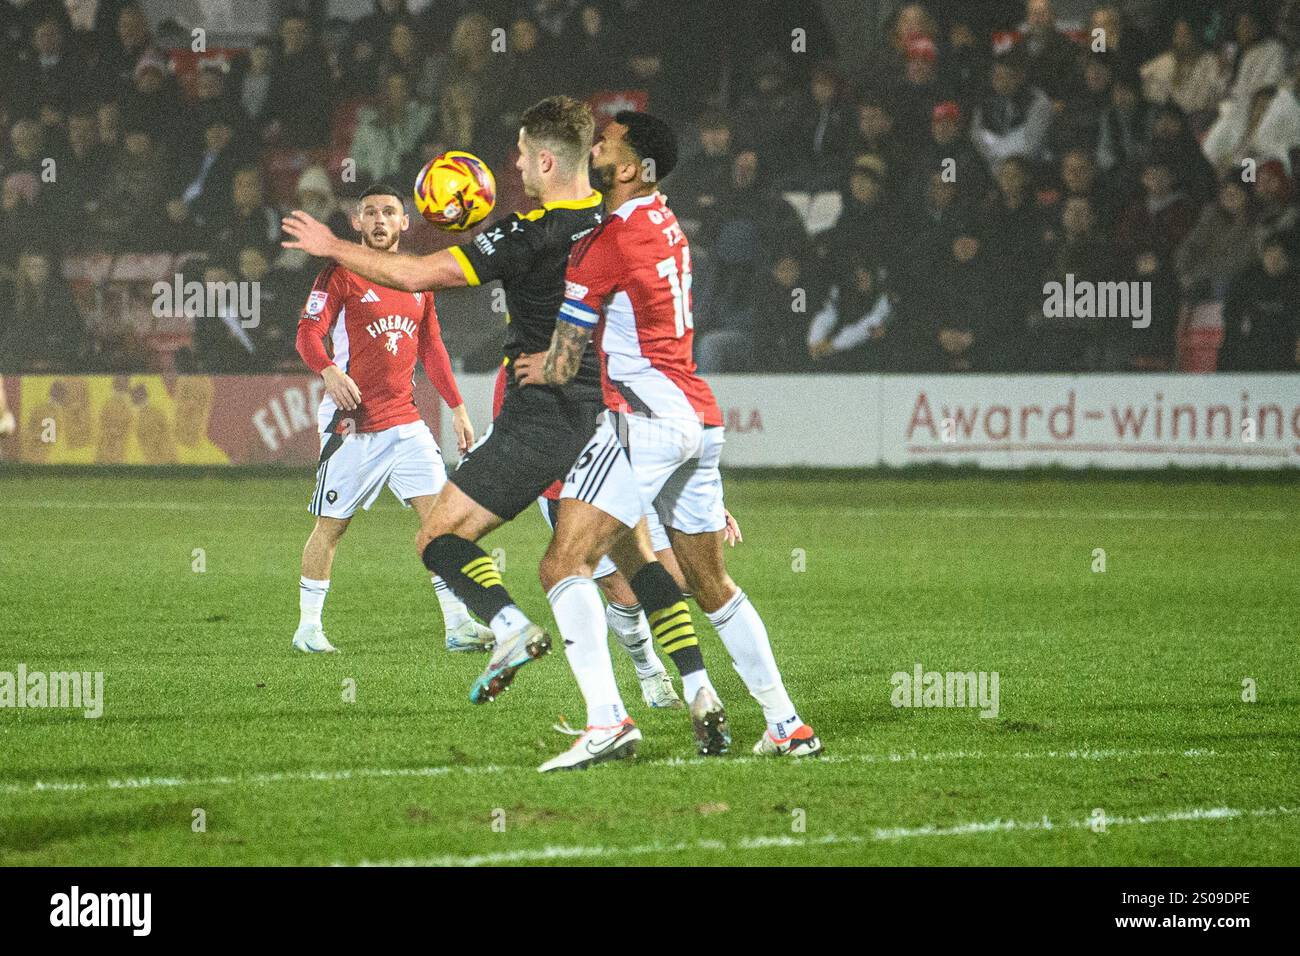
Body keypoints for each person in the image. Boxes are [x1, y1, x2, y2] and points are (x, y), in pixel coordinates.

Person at [282, 97, 627, 694]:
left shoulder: (524, 234)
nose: (513, 164)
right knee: (617, 561)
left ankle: (506, 629)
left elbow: (421, 290)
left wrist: (330, 242)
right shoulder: (619, 217)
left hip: (538, 412)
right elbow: (311, 332)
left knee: (445, 536)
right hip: (612, 411)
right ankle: (691, 689)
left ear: (546, 160)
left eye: (520, 153)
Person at [512, 111, 822, 770]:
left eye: (605, 143)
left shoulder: (604, 245)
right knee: (713, 587)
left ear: (627, 168)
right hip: (699, 419)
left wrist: (542, 366)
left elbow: (565, 362)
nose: (594, 147)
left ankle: (607, 723)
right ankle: (787, 723)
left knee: (562, 564)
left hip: (642, 420)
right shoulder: (667, 225)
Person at [290, 183, 480, 654]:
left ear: (403, 223)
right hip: (352, 424)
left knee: (442, 524)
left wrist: (455, 405)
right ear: (356, 223)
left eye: (388, 212)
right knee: (332, 527)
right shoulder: (340, 274)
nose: (378, 220)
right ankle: (308, 628)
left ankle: (457, 624)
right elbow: (307, 333)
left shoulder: (416, 277)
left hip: (406, 424)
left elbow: (431, 345)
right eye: (369, 212)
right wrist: (329, 370)